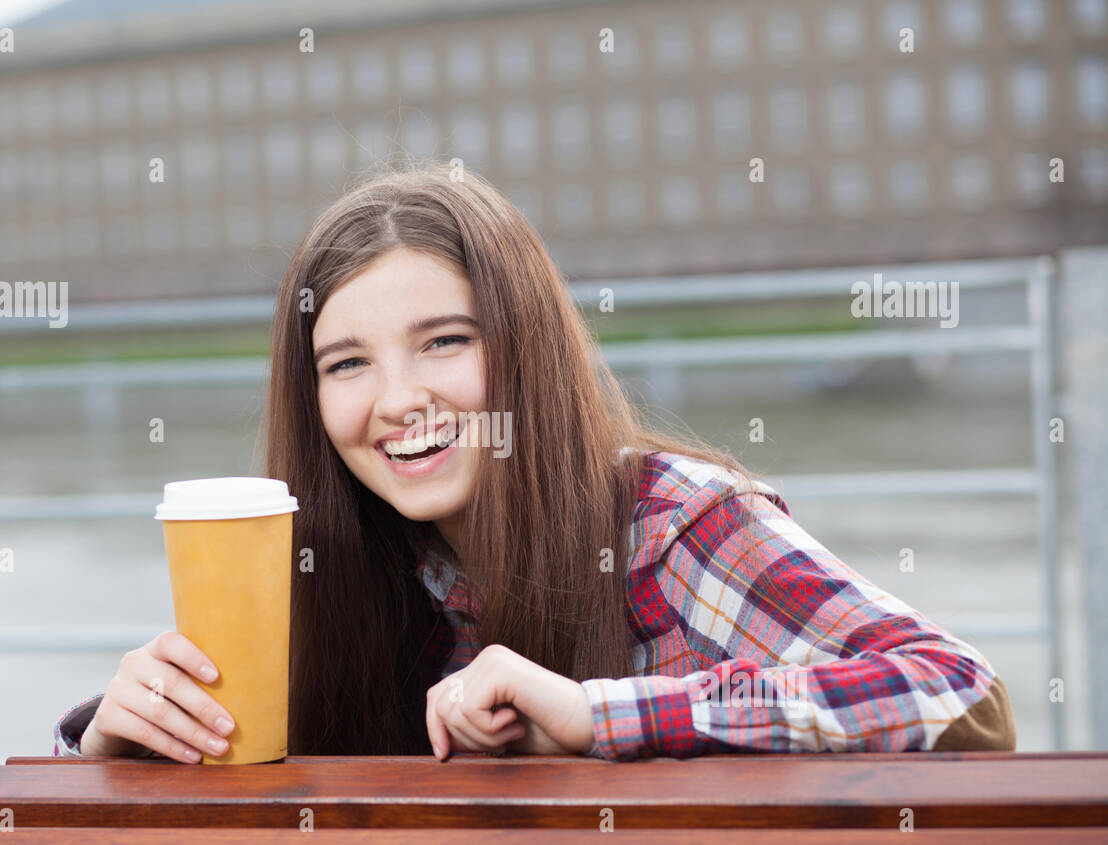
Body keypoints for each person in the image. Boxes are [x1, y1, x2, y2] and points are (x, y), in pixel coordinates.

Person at [53, 159, 1016, 763]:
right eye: (347, 363)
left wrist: (602, 716)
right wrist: (112, 748)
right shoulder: (326, 565)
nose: (398, 402)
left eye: (444, 342)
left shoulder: (672, 523)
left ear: (526, 347)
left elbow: (958, 694)